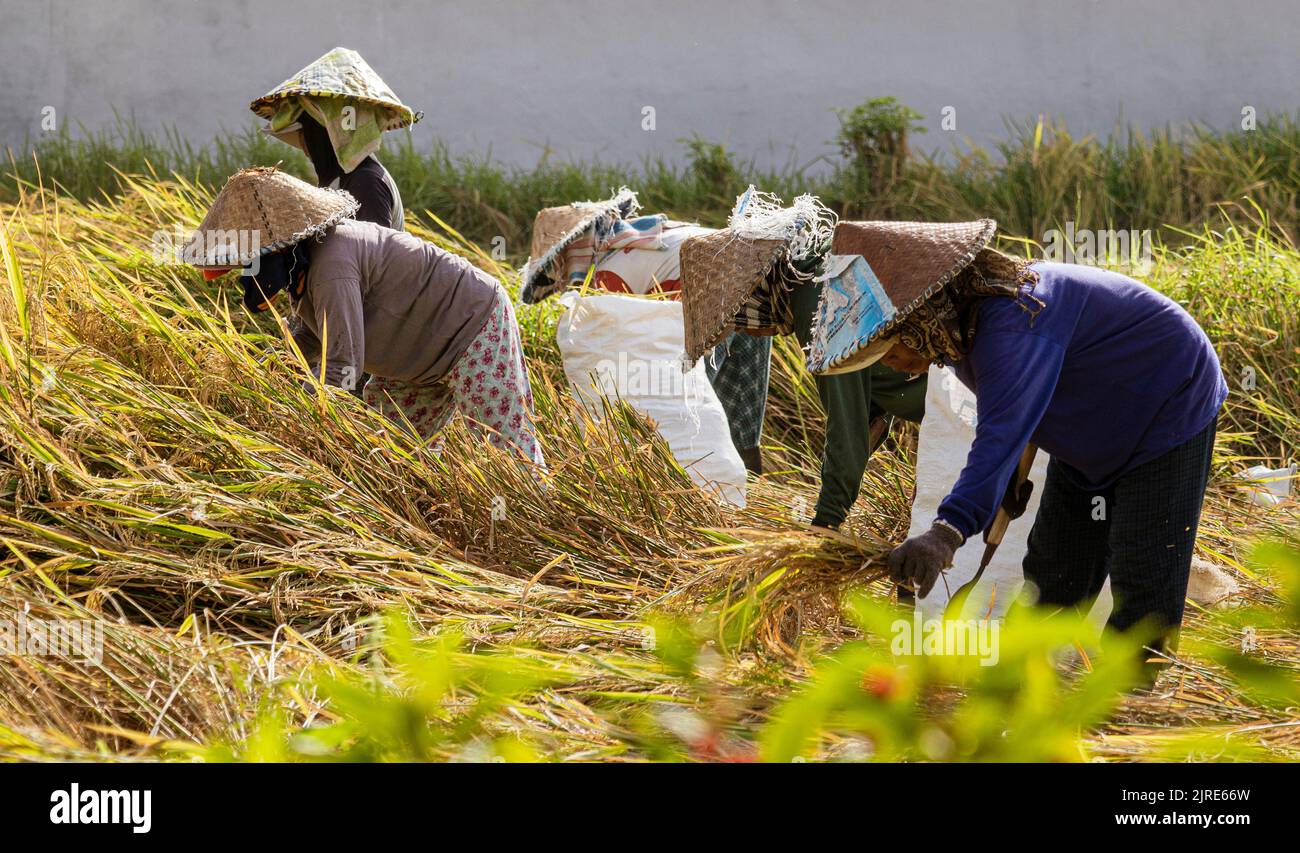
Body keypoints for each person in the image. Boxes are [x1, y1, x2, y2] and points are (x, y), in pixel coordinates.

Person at [808, 219, 1227, 660]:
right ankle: (1029, 681)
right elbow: (1014, 419)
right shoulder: (958, 330)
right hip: (1088, 432)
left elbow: (999, 437)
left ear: (916, 325)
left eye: (892, 353)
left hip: (1167, 404)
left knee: (1143, 572)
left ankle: (1134, 703)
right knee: (1055, 571)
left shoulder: (1013, 325)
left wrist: (946, 532)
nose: (893, 367)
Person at [190, 168, 545, 467]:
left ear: (274, 248)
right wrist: (270, 369)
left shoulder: (331, 265)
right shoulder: (305, 263)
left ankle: (543, 526)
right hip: (415, 360)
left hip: (473, 324)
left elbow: (344, 363)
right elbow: (318, 334)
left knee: (506, 450)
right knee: (392, 459)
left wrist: (294, 412)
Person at [520, 191, 772, 473]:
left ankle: (696, 482)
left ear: (567, 253)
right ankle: (748, 480)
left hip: (711, 294)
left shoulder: (608, 271)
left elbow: (625, 343)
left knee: (689, 400)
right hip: (753, 273)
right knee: (737, 396)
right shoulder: (636, 238)